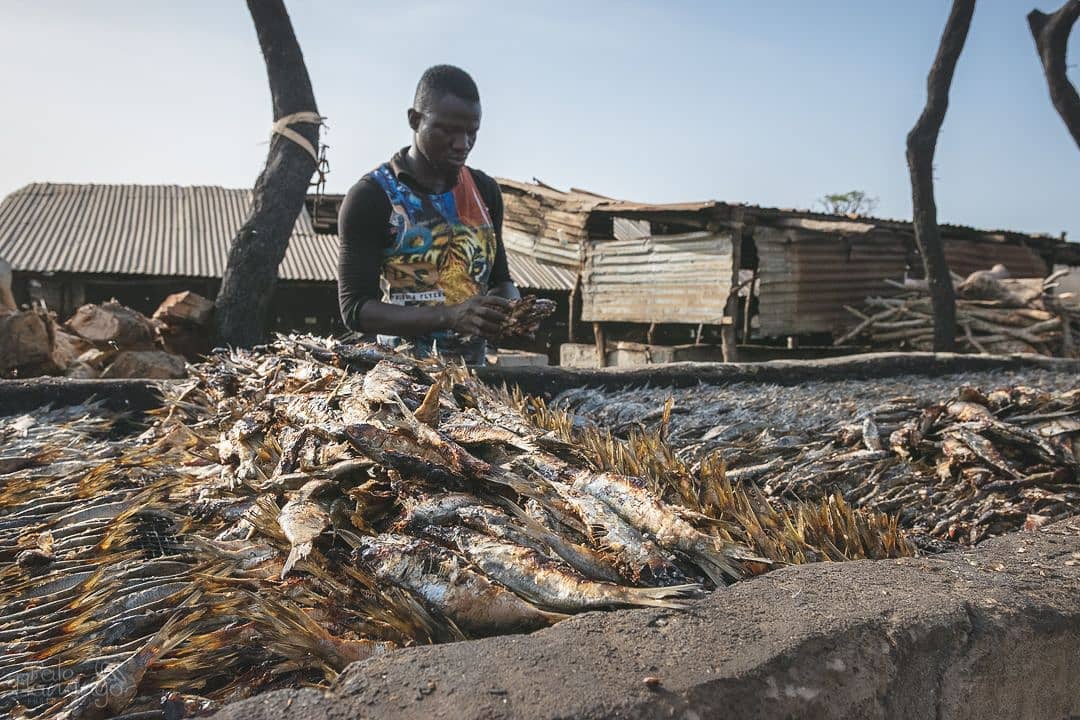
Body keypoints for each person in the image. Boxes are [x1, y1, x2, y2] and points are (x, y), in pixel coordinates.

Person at [337, 64, 520, 365]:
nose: (462, 144)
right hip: (403, 381)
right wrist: (448, 316)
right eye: (447, 130)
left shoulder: (485, 191)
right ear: (415, 119)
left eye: (472, 132)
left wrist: (514, 311)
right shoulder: (372, 197)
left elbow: (501, 279)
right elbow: (355, 309)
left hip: (476, 376)